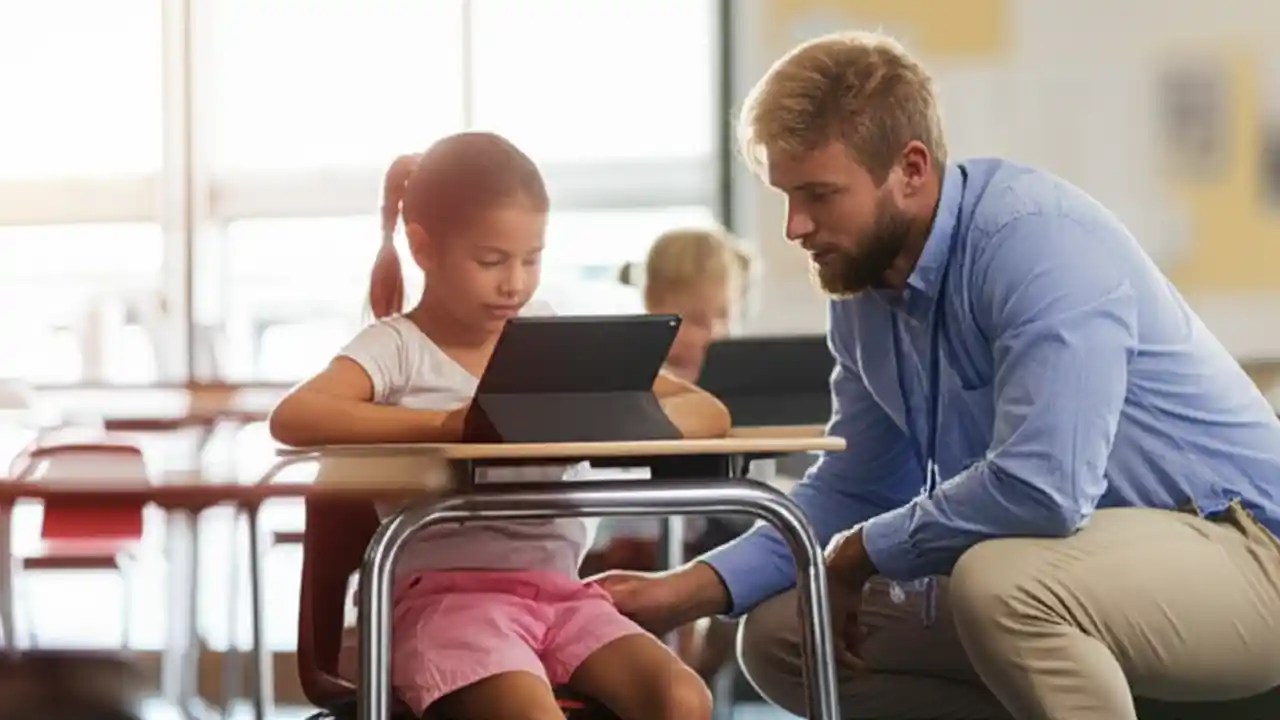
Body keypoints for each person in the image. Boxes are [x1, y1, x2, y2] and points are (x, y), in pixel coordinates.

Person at [592, 30, 1280, 720]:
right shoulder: (863, 293)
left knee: (1001, 584)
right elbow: (858, 486)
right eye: (785, 196)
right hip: (1084, 572)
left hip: (1247, 551)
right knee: (782, 637)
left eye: (819, 195)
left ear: (911, 169)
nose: (794, 226)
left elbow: (1044, 489)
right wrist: (684, 588)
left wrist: (862, 551)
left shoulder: (1037, 242)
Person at [268, 132, 728, 720]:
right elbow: (296, 416)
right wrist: (450, 426)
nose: (514, 283)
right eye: (490, 261)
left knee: (683, 698)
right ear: (424, 248)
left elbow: (709, 412)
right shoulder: (398, 346)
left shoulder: (544, 336)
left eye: (530, 259)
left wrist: (599, 417)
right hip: (444, 604)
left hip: (560, 595)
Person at [617, 226, 754, 382]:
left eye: (725, 316)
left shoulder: (738, 383)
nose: (714, 334)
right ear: (652, 303)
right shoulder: (631, 384)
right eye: (696, 320)